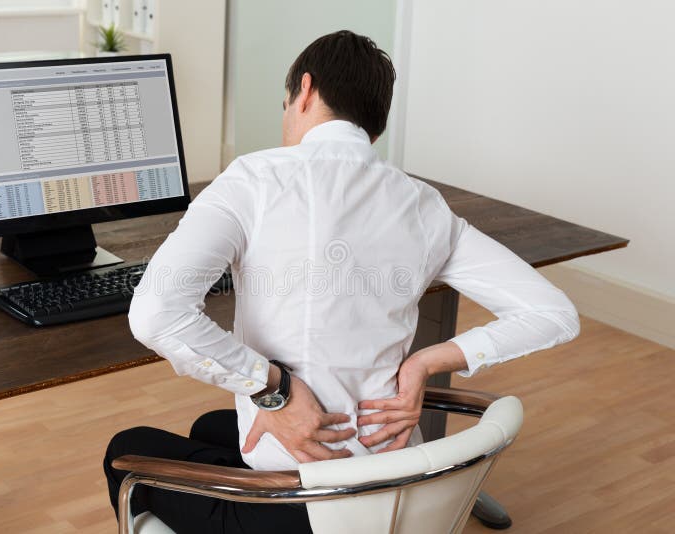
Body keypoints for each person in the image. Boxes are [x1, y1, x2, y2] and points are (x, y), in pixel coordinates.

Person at [104, 30, 580, 533]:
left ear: (303, 91)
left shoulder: (254, 179)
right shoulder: (423, 204)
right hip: (399, 486)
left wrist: (276, 388)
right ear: (374, 126)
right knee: (210, 428)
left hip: (306, 507)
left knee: (126, 449)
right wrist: (426, 362)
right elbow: (553, 313)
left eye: (286, 102)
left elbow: (157, 314)